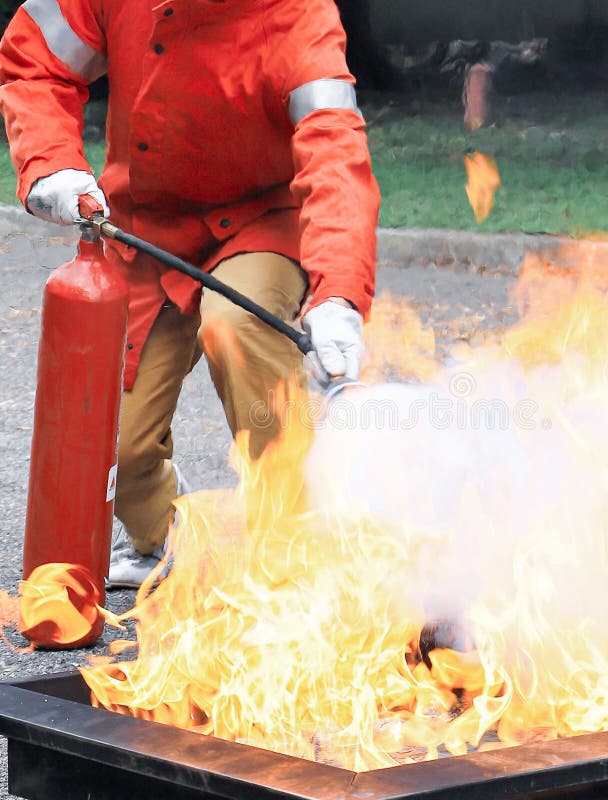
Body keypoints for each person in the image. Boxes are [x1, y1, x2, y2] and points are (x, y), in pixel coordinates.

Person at [0, 0, 380, 588]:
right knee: (112, 447)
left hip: (258, 220)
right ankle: (167, 538)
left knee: (236, 323)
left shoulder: (300, 14)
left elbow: (335, 152)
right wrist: (50, 164)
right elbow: (38, 61)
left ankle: (294, 554)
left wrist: (338, 297)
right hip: (143, 228)